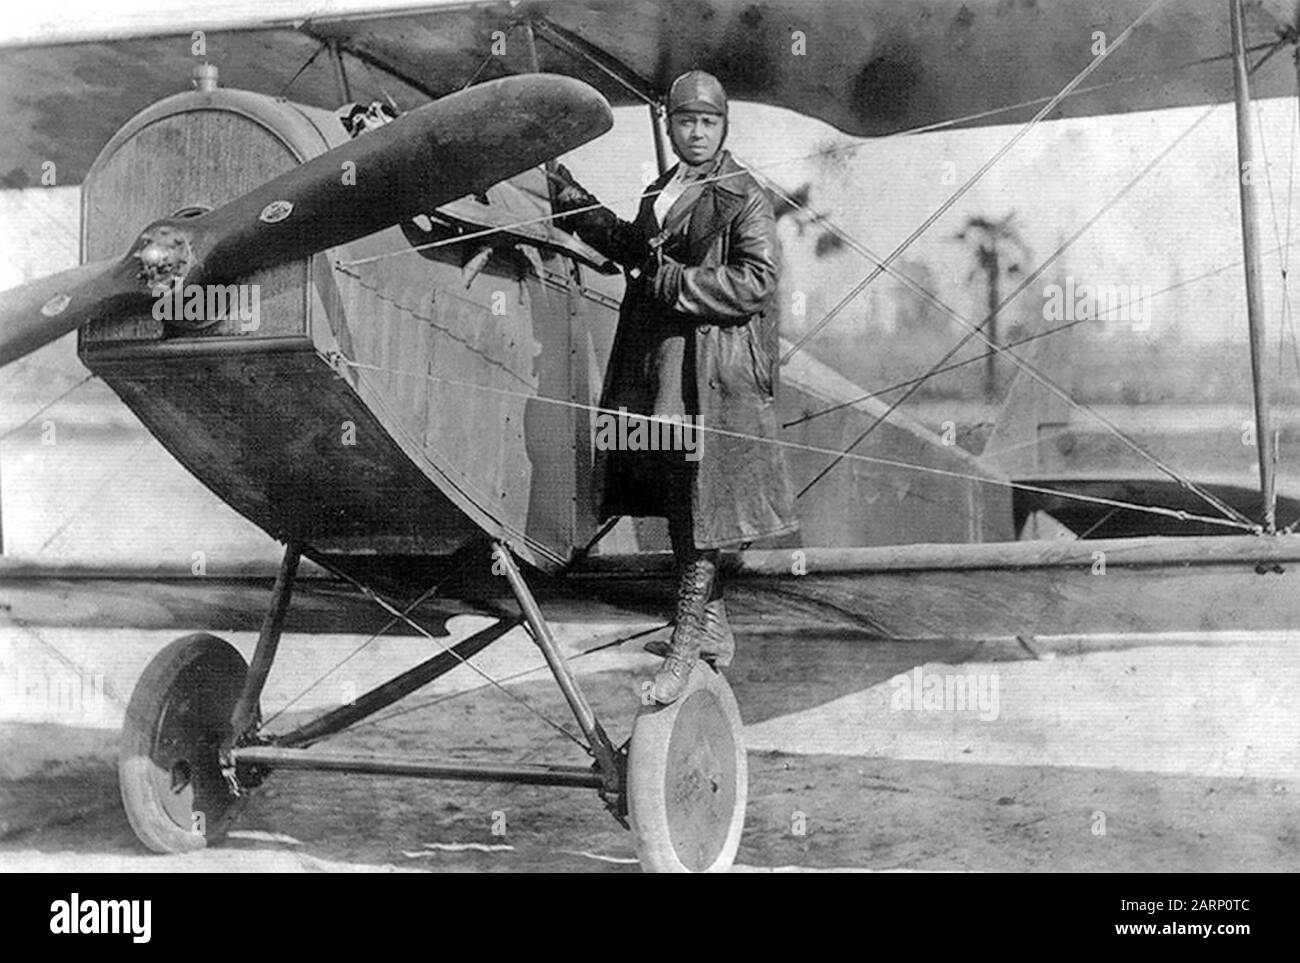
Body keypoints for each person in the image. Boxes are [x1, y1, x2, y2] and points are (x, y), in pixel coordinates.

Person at [553, 70, 798, 704]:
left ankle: (686, 647)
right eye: (685, 121)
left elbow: (756, 282)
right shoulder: (664, 189)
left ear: (722, 128)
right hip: (661, 365)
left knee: (698, 505)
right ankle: (711, 629)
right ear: (670, 125)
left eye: (707, 122)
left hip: (710, 373)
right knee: (673, 488)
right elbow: (633, 248)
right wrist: (567, 196)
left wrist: (676, 286)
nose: (695, 131)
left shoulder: (743, 195)